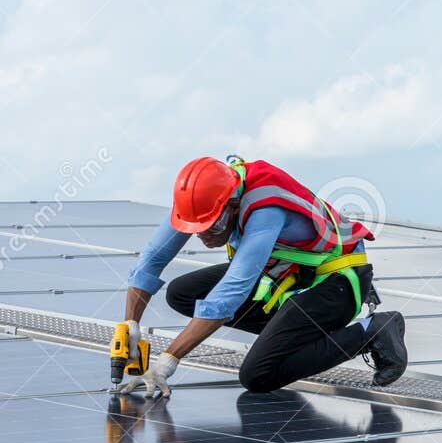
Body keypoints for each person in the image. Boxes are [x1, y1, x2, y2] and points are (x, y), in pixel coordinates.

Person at [117, 156, 408, 397]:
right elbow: (152, 261)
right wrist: (131, 324)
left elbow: (229, 295)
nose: (203, 235)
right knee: (182, 293)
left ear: (232, 205)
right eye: (197, 227)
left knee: (257, 375)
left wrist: (167, 361)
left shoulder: (265, 208)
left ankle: (371, 331)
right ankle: (287, 336)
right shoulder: (203, 198)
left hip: (337, 281)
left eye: (210, 225)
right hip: (289, 276)